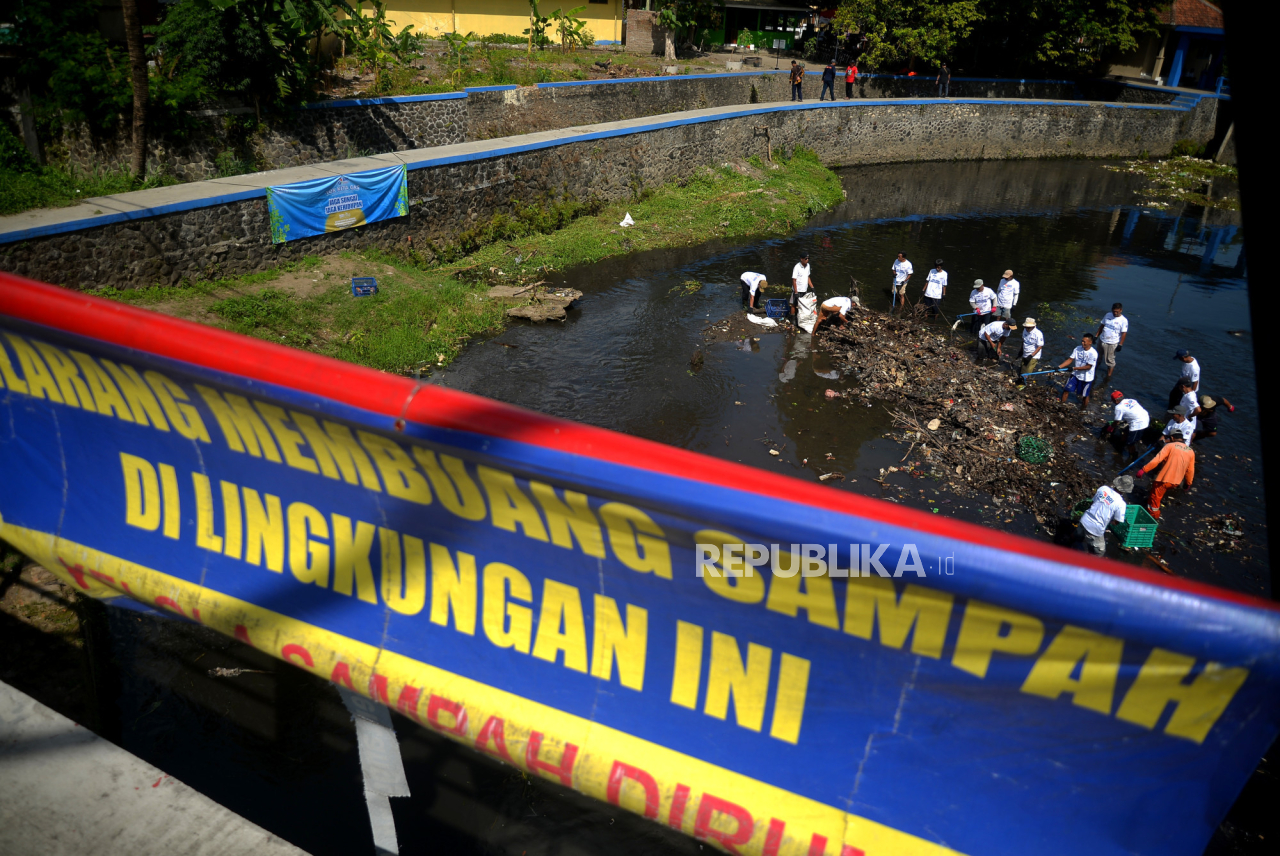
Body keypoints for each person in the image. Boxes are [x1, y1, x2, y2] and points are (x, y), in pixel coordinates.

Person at [1137, 435, 1194, 520]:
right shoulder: (1190, 451)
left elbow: (1157, 460)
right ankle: (1149, 509)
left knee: (1155, 499)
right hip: (1176, 482)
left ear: (1172, 438)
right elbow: (1190, 470)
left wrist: (1144, 470)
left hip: (1165, 479)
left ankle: (1153, 518)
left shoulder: (1169, 446)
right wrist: (1188, 483)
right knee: (1155, 494)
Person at [1078, 484, 1126, 555]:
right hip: (1095, 529)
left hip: (1085, 519)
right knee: (1100, 551)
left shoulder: (1104, 488)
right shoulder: (1121, 504)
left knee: (1078, 534)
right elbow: (1116, 522)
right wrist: (1110, 522)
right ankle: (1086, 560)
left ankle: (1067, 544)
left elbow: (1092, 503)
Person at [1058, 333, 1098, 407]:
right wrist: (1059, 367)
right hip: (1075, 374)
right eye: (1082, 341)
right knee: (1066, 389)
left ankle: (1083, 409)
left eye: (1084, 342)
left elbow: (1088, 367)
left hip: (1086, 378)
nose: (1082, 343)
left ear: (1090, 342)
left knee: (1085, 395)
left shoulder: (1093, 353)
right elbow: (1070, 359)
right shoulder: (1077, 349)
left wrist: (1074, 368)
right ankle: (1061, 404)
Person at [1106, 390, 1150, 454]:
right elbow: (1132, 411)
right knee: (1125, 432)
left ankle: (1133, 455)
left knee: (1130, 443)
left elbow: (1117, 421)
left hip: (1139, 423)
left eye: (1113, 401)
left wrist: (1111, 427)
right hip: (1145, 417)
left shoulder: (1119, 407)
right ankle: (1120, 446)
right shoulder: (1131, 400)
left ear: (1116, 401)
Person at [1095, 303, 1129, 381]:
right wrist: (1096, 336)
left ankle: (1108, 376)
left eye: (1117, 311)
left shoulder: (1123, 320)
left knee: (1109, 360)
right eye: (1114, 311)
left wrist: (1120, 344)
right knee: (1097, 357)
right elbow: (1102, 326)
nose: (1115, 313)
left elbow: (1124, 333)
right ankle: (1094, 370)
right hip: (1102, 339)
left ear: (1121, 310)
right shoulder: (1108, 315)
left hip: (1112, 343)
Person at [1017, 317, 1044, 386]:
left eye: (1029, 327)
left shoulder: (1038, 334)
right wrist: (1021, 350)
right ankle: (1021, 379)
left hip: (1034, 355)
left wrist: (1031, 355)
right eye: (1026, 327)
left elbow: (1040, 346)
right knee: (1023, 367)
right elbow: (1023, 341)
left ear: (1033, 326)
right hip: (1025, 352)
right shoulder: (1025, 330)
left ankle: (1026, 383)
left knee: (1028, 370)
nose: (1027, 329)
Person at [790, 252, 814, 317]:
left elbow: (808, 277)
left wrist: (812, 287)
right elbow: (794, 280)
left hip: (804, 290)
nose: (807, 260)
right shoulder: (797, 267)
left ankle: (800, 317)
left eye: (808, 258)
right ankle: (792, 318)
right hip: (797, 289)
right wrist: (796, 292)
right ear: (801, 259)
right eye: (806, 258)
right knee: (794, 304)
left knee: (803, 304)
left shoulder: (808, 266)